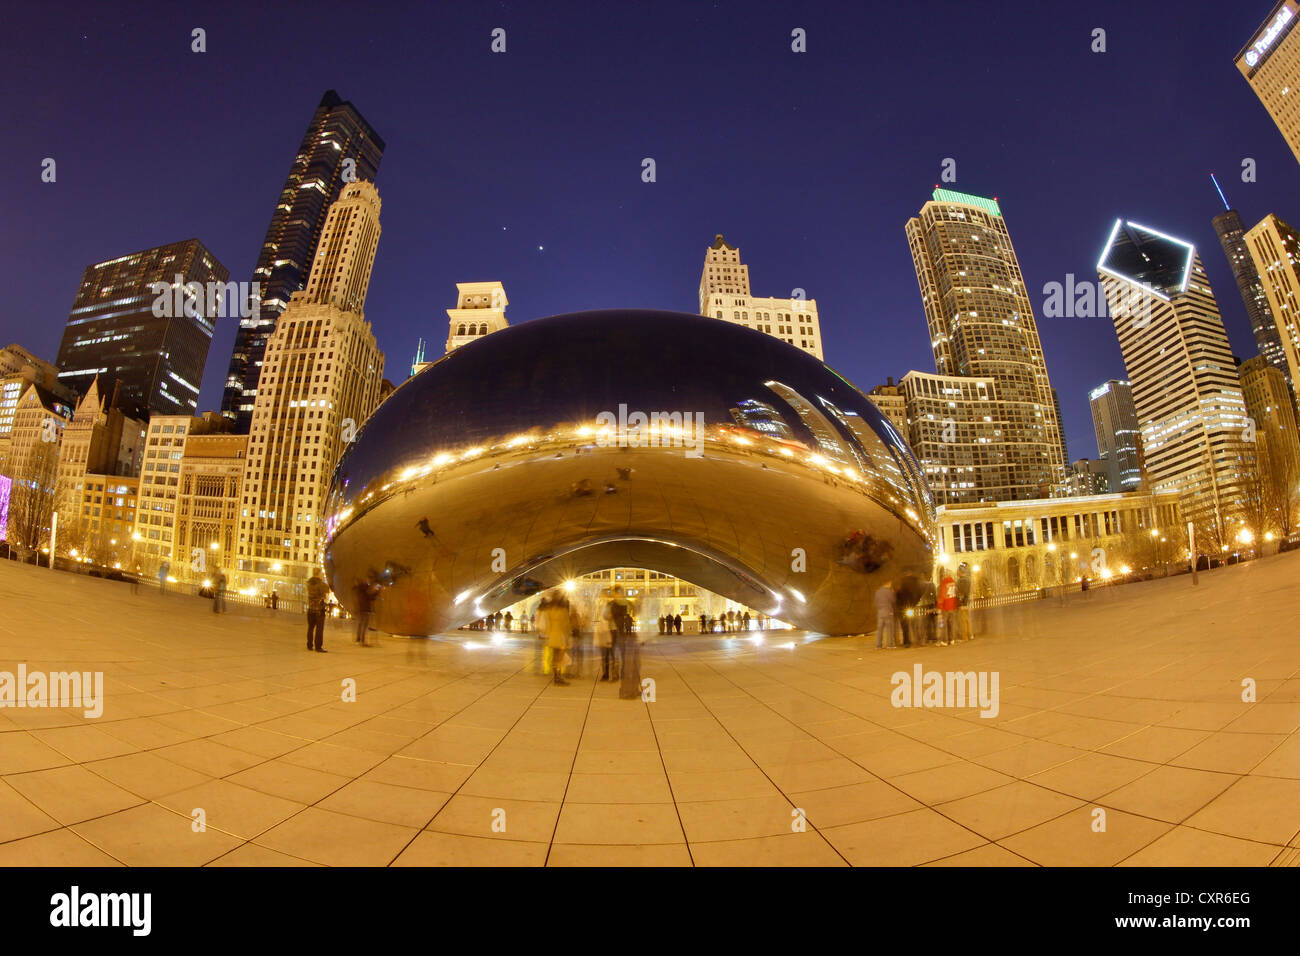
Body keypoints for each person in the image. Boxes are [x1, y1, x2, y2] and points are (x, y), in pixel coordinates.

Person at [538, 593, 571, 686]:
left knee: (554, 658)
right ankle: (559, 677)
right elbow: (566, 625)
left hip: (552, 636)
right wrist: (568, 638)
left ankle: (556, 677)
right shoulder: (563, 610)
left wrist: (548, 636)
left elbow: (547, 624)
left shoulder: (549, 610)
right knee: (559, 658)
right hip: (560, 636)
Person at [601, 587, 630, 681]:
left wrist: (611, 614)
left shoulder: (623, 603)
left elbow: (622, 613)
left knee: (616, 653)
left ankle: (617, 674)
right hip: (610, 630)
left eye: (615, 593)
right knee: (609, 653)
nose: (613, 595)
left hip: (618, 631)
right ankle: (608, 674)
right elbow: (605, 615)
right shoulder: (611, 604)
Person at [306, 572, 328, 652]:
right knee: (319, 629)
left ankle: (309, 645)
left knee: (310, 628)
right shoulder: (320, 585)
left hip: (311, 609)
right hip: (319, 610)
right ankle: (318, 646)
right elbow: (327, 589)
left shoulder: (309, 585)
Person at [354, 578, 379, 646]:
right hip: (366, 610)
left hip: (360, 610)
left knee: (360, 624)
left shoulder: (358, 591)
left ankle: (358, 639)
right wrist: (377, 591)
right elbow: (371, 597)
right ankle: (362, 640)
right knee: (364, 626)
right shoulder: (365, 592)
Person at [874, 579, 898, 649]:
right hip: (888, 611)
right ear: (888, 583)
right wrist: (893, 593)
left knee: (880, 629)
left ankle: (878, 645)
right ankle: (890, 644)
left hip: (880, 612)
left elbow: (875, 602)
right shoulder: (889, 592)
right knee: (889, 628)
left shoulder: (877, 591)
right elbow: (893, 601)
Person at [937, 569, 958, 645]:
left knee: (943, 624)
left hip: (945, 607)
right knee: (951, 623)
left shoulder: (944, 582)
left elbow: (941, 596)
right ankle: (952, 639)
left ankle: (944, 640)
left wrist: (939, 607)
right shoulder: (953, 582)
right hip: (952, 606)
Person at [955, 563, 973, 642]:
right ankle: (970, 635)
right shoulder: (969, 580)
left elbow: (960, 592)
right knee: (967, 620)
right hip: (967, 602)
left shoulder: (960, 581)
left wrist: (959, 601)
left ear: (960, 572)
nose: (957, 573)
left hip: (962, 602)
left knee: (962, 621)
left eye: (957, 572)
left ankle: (964, 637)